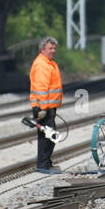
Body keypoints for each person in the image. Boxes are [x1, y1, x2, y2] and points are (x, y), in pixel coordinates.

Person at [29, 36, 63, 174]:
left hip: (48, 107)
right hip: (43, 108)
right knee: (48, 137)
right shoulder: (42, 65)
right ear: (42, 49)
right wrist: (42, 109)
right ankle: (43, 165)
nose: (53, 51)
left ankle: (46, 163)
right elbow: (41, 88)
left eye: (54, 48)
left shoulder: (49, 63)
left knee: (49, 136)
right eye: (50, 48)